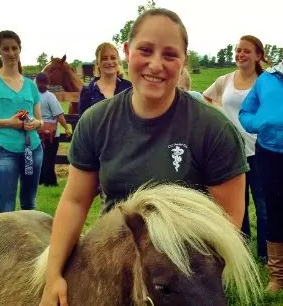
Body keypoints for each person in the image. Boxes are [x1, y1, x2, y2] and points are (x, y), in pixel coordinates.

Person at [40, 9, 249, 305]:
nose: (156, 64)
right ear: (127, 51)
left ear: (184, 60)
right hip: (111, 265)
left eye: (170, 54)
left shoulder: (213, 130)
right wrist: (53, 276)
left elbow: (225, 225)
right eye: (146, 50)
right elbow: (74, 201)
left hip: (178, 276)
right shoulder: (96, 122)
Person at [203, 35, 269, 262]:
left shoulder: (266, 82)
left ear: (258, 55)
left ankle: (265, 255)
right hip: (231, 155)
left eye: (246, 51)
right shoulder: (225, 80)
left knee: (263, 207)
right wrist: (222, 117)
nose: (240, 54)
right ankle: (241, 254)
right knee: (236, 207)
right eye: (238, 50)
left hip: (260, 152)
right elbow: (206, 99)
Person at [0, 30, 43, 213]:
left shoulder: (30, 85)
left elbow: (40, 120)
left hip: (33, 150)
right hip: (5, 151)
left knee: (29, 205)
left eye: (14, 48)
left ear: (20, 49)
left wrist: (36, 124)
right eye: (6, 49)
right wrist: (9, 122)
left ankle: (28, 242)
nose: (11, 53)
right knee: (6, 208)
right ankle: (4, 242)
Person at [239, 60, 283, 293]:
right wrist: (258, 123)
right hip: (269, 154)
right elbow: (245, 112)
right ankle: (277, 276)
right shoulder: (266, 79)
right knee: (274, 212)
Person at [36, 72, 71, 187]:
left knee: (39, 156)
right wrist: (66, 128)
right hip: (51, 133)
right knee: (50, 157)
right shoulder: (50, 96)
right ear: (48, 83)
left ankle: (40, 179)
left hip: (36, 130)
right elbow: (59, 115)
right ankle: (50, 181)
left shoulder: (33, 96)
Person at [78, 42, 132, 115]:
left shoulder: (129, 87)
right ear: (98, 63)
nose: (109, 62)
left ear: (118, 61)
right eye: (104, 59)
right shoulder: (87, 92)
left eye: (113, 58)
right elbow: (83, 123)